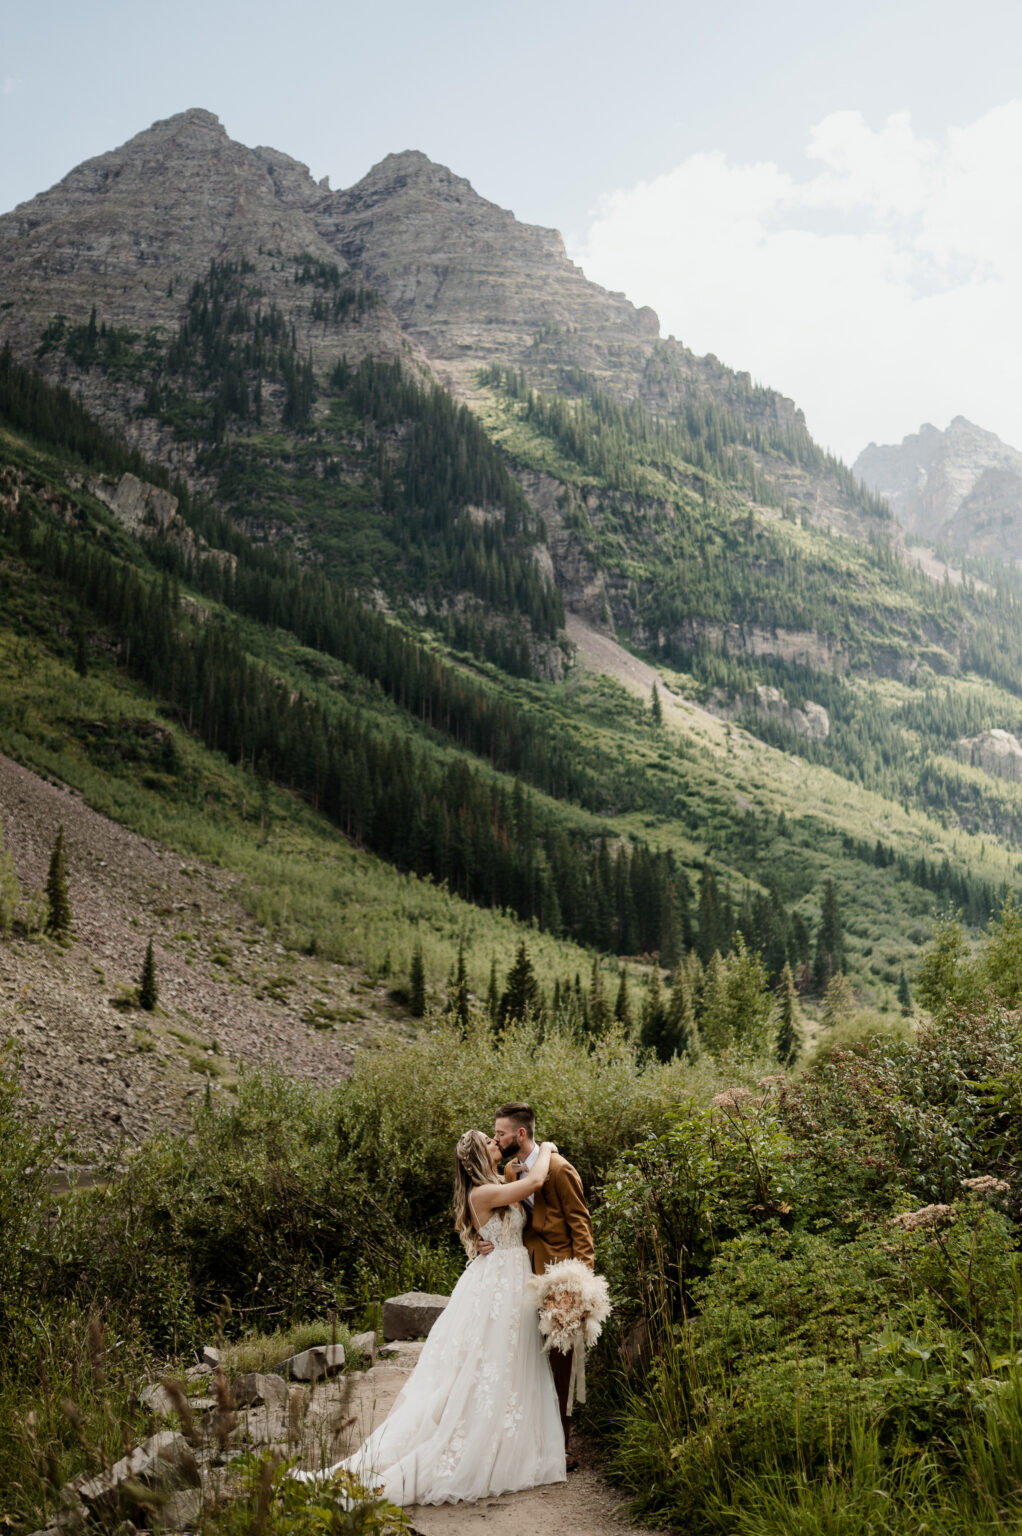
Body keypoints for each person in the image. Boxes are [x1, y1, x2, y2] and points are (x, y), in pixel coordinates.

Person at [293, 1130, 566, 1505]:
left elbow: (505, 1218)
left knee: (505, 1366)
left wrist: (508, 1181)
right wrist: (548, 1147)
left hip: (507, 1283)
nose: (495, 1144)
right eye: (489, 1141)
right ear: (475, 1157)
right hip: (499, 1287)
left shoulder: (492, 1187)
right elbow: (536, 1181)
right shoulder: (481, 1194)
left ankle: (508, 1440)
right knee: (489, 1366)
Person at [486, 1102, 594, 1466]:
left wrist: (582, 1284)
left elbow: (581, 1224)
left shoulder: (560, 1169)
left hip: (558, 1275)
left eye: (501, 1133)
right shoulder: (508, 1171)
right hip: (521, 1274)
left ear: (520, 1134)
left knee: (561, 1362)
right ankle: (528, 1438)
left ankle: (560, 1448)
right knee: (525, 1359)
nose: (496, 1138)